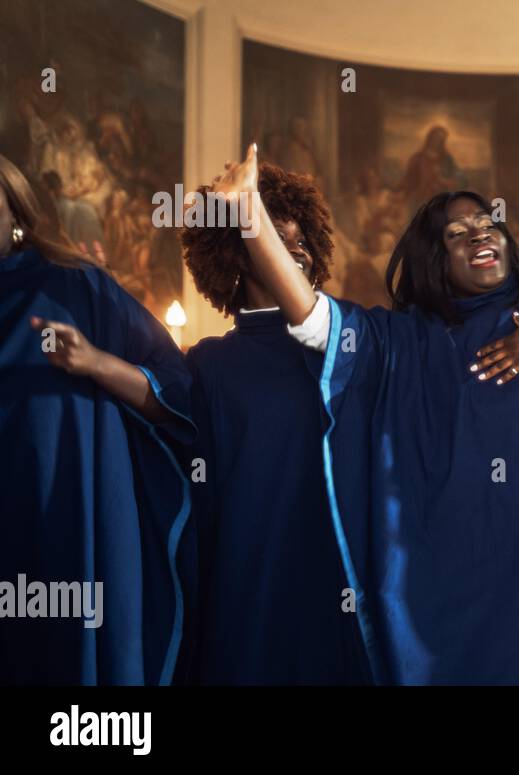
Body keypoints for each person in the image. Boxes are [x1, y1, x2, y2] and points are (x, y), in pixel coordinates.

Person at [207, 144, 519, 684]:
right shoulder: (403, 339)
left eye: (486, 222)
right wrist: (250, 216)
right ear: (434, 258)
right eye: (456, 233)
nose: (479, 234)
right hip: (454, 585)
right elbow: (314, 320)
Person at [0, 153, 193, 685]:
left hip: (66, 520)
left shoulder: (75, 287)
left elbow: (179, 391)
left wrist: (97, 362)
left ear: (14, 210)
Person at [179, 163, 369, 684]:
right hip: (247, 579)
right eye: (275, 236)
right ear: (236, 257)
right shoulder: (210, 365)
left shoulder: (343, 345)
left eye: (301, 237)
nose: (299, 247)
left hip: (337, 581)